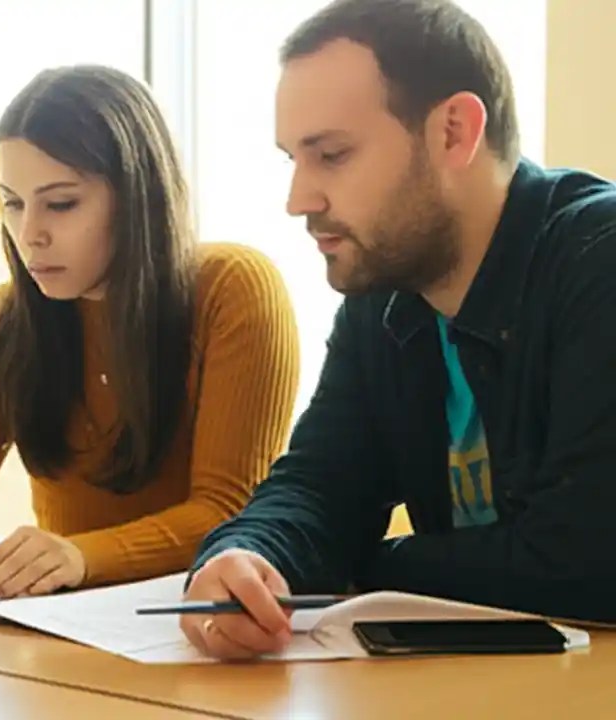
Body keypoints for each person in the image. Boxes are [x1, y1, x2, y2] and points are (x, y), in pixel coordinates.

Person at [180, 0, 616, 661]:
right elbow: (318, 483)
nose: (298, 198)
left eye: (331, 155)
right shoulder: (383, 296)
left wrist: (358, 564)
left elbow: (586, 565)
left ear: (453, 132)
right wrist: (246, 556)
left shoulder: (598, 259)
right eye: (293, 159)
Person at [0, 65, 301, 599]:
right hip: (70, 624)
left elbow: (230, 512)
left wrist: (81, 555)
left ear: (137, 197)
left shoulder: (233, 287)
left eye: (60, 203)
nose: (29, 234)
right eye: (13, 202)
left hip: (209, 619)